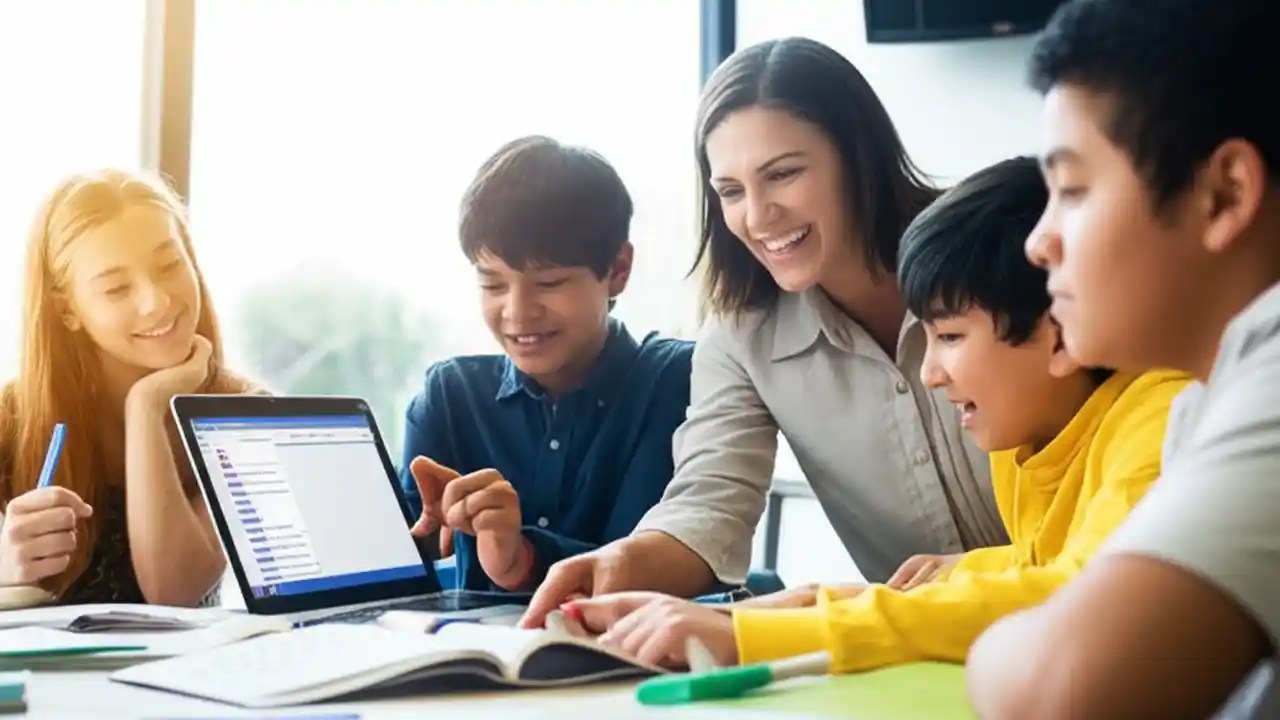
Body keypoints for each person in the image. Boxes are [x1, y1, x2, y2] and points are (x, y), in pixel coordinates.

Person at [550, 156, 1188, 670]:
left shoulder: (1160, 416)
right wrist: (746, 617)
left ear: (1056, 333)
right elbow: (1034, 570)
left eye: (951, 337)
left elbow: (1071, 596)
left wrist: (760, 637)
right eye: (728, 188)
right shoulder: (1028, 447)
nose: (930, 371)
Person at [522, 36, 1011, 627]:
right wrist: (617, 565)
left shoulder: (1001, 249)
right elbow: (708, 504)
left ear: (856, 156)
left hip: (1092, 614)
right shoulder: (740, 337)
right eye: (730, 191)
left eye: (781, 175)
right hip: (919, 649)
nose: (756, 217)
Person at [966, 2, 1280, 718]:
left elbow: (1059, 688)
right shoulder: (1213, 393)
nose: (1038, 243)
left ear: (1224, 193)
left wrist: (1004, 643)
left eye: (1072, 190)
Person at [398, 136, 694, 592]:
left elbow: (663, 566)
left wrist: (522, 556)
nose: (518, 312)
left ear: (618, 270)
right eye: (493, 285)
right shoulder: (451, 398)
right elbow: (403, 570)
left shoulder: (676, 384)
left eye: (549, 282)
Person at [0, 169, 256, 605]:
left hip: (186, 671)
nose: (156, 301)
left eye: (170, 264)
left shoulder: (242, 414)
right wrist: (4, 569)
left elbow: (175, 594)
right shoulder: (12, 421)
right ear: (68, 312)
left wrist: (146, 407)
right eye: (117, 288)